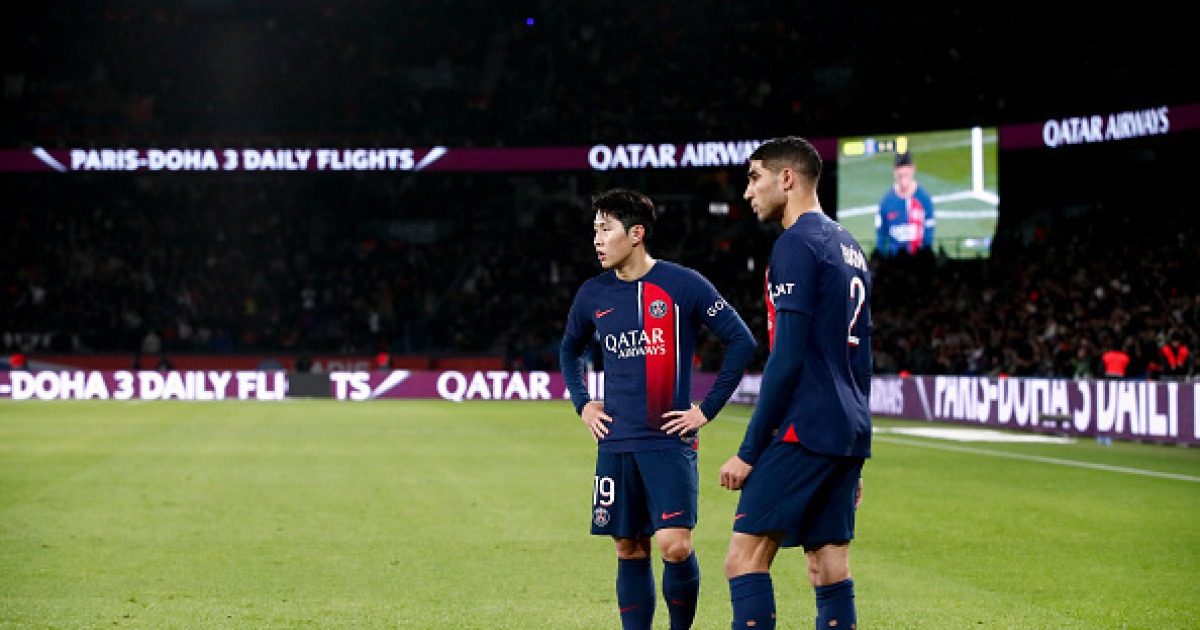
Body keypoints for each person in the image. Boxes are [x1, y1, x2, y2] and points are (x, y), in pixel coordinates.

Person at [560, 188, 756, 630]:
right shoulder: (592, 294)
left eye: (605, 229)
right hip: (615, 441)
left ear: (636, 234)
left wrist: (706, 410)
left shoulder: (682, 284)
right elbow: (569, 349)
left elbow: (742, 340)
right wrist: (583, 403)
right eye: (595, 230)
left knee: (674, 546)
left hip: (668, 440)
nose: (596, 239)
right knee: (628, 548)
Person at [719, 136, 873, 629]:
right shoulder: (850, 247)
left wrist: (748, 449)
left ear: (787, 178)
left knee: (744, 559)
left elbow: (785, 360)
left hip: (803, 426)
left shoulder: (795, 244)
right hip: (846, 429)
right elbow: (862, 359)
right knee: (828, 564)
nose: (748, 192)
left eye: (754, 177)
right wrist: (854, 446)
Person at [876, 150, 936, 256]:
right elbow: (881, 237)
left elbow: (928, 238)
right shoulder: (886, 202)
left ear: (913, 169)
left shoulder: (924, 199)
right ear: (894, 172)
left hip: (918, 261)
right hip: (893, 262)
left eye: (906, 175)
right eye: (900, 176)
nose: (903, 181)